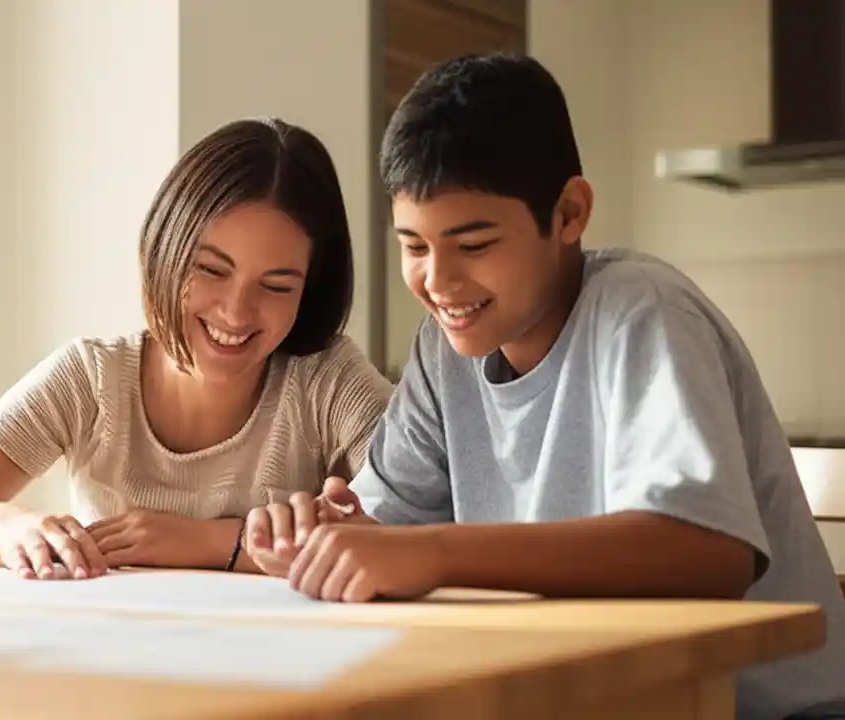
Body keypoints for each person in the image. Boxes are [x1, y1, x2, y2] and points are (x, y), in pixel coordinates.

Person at [245, 54, 845, 719]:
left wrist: (432, 553)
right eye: (414, 246)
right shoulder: (444, 350)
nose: (438, 282)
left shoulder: (642, 312)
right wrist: (323, 536)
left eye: (474, 244)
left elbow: (710, 554)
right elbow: (385, 525)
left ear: (568, 213)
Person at [0, 117, 392, 581]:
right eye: (211, 270)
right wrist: (7, 527)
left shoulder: (328, 381)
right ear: (163, 250)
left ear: (310, 290)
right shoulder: (91, 378)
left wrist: (217, 543)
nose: (236, 313)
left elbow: (424, 529)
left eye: (276, 286)